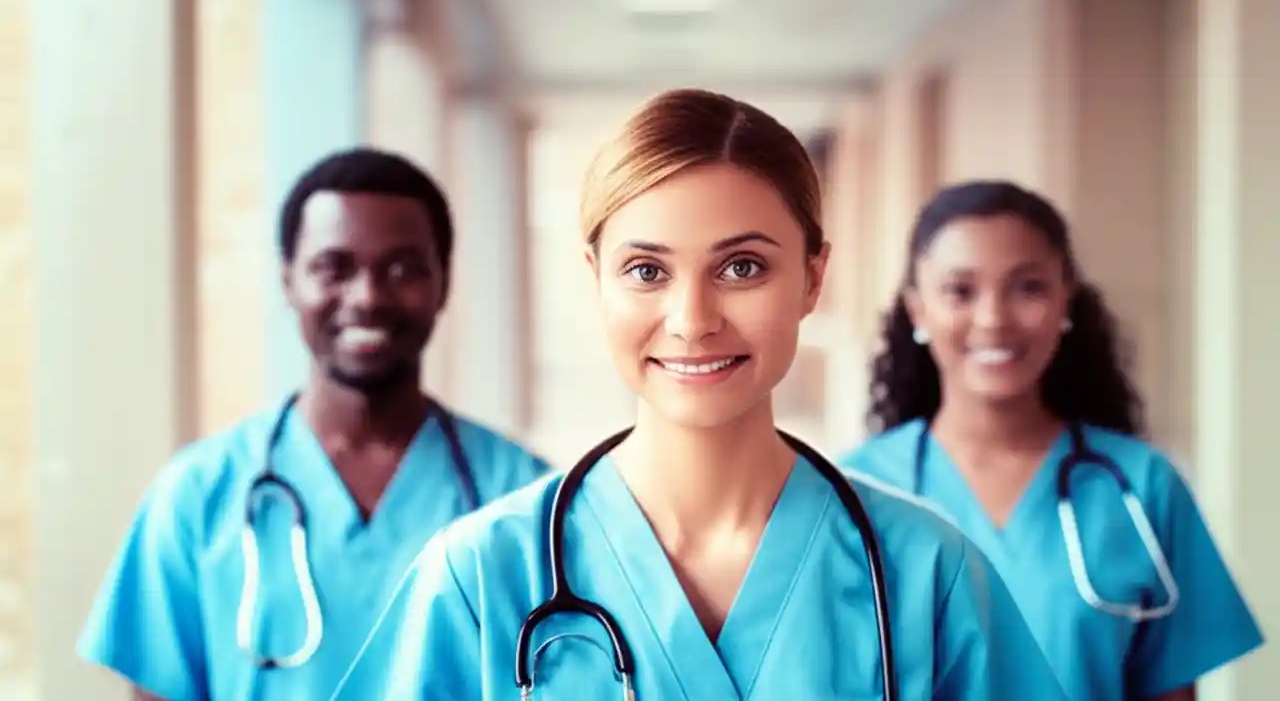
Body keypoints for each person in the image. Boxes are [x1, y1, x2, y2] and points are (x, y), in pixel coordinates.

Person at [340, 90, 1065, 701]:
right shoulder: (482, 577)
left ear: (813, 278)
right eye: (647, 271)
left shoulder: (925, 574)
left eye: (742, 267)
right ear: (596, 278)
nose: (692, 320)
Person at [77, 148, 550, 700]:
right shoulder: (198, 494)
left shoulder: (526, 498)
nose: (368, 297)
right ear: (288, 281)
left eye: (402, 270)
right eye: (333, 268)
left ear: (443, 283)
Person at [839, 180, 1263, 701]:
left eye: (1028, 288)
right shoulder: (854, 493)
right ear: (917, 310)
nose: (994, 319)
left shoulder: (1142, 486)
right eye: (960, 291)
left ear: (1066, 301)